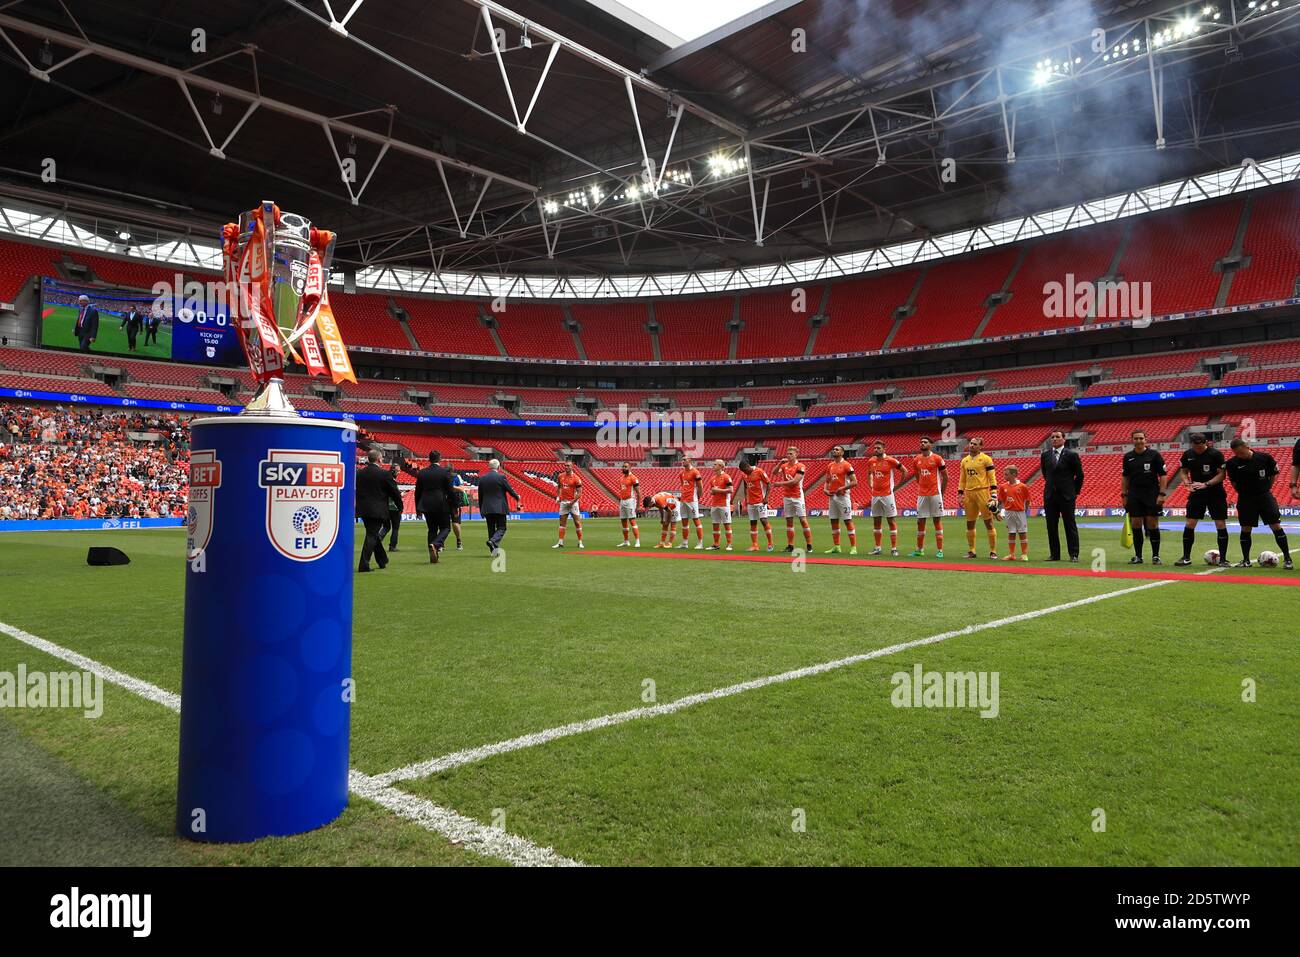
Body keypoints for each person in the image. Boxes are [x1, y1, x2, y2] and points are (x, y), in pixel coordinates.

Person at [1224, 438, 1293, 569]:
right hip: (1245, 499)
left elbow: (1273, 475)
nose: (1239, 455)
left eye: (1241, 452)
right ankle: (1246, 560)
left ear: (1246, 446)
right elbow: (1233, 482)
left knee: (1276, 526)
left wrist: (1266, 488)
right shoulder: (1232, 463)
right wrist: (1243, 492)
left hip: (1264, 496)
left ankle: (1288, 559)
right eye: (1236, 453)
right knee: (1245, 528)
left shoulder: (1264, 458)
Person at [1175, 433, 1229, 566]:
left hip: (1215, 492)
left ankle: (1223, 560)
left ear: (1206, 443)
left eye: (1200, 447)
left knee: (1220, 524)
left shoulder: (1216, 454)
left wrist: (1206, 484)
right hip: (1197, 493)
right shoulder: (1188, 454)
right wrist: (1187, 483)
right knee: (1190, 523)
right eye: (1195, 447)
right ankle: (1186, 557)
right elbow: (1183, 471)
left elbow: (1222, 475)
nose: (1197, 449)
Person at [1121, 429, 1168, 564]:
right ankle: (1138, 556)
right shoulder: (1128, 456)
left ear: (1146, 440)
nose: (1139, 441)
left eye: (1141, 438)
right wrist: (1124, 495)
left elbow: (1163, 475)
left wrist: (1162, 493)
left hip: (1151, 493)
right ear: (1132, 440)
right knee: (1136, 524)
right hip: (1134, 494)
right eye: (1136, 438)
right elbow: (1125, 477)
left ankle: (1156, 556)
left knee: (1152, 523)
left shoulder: (1154, 455)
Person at [1039, 429, 1084, 562]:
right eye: (1052, 437)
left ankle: (1074, 554)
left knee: (1069, 525)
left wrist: (1074, 491)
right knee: (1051, 526)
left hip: (1067, 496)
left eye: (1057, 437)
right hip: (1050, 496)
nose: (1054, 439)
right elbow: (1045, 474)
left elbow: (1080, 475)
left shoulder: (1072, 455)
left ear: (1064, 439)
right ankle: (1054, 554)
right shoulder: (1045, 455)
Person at [356, 448, 403, 573]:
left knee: (373, 534)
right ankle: (364, 565)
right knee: (372, 535)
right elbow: (395, 493)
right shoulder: (384, 474)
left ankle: (382, 560)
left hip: (364, 509)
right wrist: (400, 506)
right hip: (378, 510)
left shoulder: (359, 473)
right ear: (379, 459)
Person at [959, 436, 999, 559]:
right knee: (970, 524)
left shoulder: (986, 459)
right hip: (969, 494)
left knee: (988, 522)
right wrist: (960, 494)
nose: (972, 445)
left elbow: (992, 477)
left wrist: (993, 494)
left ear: (980, 446)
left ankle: (993, 551)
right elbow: (962, 479)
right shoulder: (964, 460)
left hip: (982, 492)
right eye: (971, 443)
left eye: (975, 444)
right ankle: (972, 551)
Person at [864, 439, 905, 555]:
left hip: (888, 495)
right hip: (875, 495)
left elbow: (904, 471)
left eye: (878, 448)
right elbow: (869, 473)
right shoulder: (871, 461)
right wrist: (871, 484)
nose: (876, 450)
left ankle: (894, 549)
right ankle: (877, 548)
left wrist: (898, 486)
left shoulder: (890, 460)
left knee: (891, 520)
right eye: (875, 448)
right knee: (876, 521)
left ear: (884, 449)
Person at [414, 451, 455, 564]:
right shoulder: (444, 472)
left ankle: (433, 555)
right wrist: (455, 505)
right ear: (440, 459)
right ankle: (436, 544)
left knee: (432, 529)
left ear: (429, 459)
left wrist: (418, 508)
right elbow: (450, 491)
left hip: (426, 504)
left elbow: (417, 492)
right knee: (445, 528)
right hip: (441, 503)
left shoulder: (422, 473)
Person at [910, 437, 947, 558]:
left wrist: (941, 492)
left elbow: (945, 477)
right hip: (922, 495)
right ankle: (919, 550)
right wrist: (922, 487)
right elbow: (917, 476)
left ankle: (940, 550)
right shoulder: (916, 460)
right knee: (920, 522)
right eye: (921, 442)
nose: (922, 443)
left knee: (937, 521)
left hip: (935, 494)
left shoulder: (937, 458)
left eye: (925, 442)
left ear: (931, 445)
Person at [476, 458, 520, 556]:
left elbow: (480, 496)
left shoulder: (482, 478)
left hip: (487, 508)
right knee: (502, 527)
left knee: (491, 529)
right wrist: (517, 497)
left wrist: (481, 510)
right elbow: (510, 490)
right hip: (499, 508)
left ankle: (494, 551)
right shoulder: (501, 477)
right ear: (499, 467)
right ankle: (493, 541)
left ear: (489, 467)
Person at [773, 446, 813, 552]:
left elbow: (795, 481)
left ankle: (809, 544)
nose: (788, 455)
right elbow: (774, 472)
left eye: (791, 453)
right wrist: (780, 463)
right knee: (789, 521)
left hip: (798, 496)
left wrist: (780, 483)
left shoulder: (800, 466)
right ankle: (790, 546)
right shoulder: (784, 465)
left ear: (796, 454)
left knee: (803, 520)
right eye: (788, 453)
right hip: (787, 496)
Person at [821, 444, 858, 555]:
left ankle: (853, 547)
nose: (834, 451)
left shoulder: (846, 465)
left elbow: (854, 482)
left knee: (847, 520)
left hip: (843, 496)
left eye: (837, 449)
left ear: (842, 452)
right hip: (832, 497)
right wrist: (825, 489)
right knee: (834, 521)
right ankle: (837, 546)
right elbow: (827, 480)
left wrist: (842, 488)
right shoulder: (830, 466)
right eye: (833, 449)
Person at [737, 460, 774, 552]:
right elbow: (746, 487)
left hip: (760, 501)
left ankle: (770, 543)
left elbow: (769, 484)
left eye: (745, 470)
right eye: (742, 471)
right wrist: (746, 500)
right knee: (753, 523)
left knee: (763, 520)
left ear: (748, 466)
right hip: (751, 503)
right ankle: (755, 545)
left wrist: (766, 498)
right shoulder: (744, 475)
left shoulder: (759, 471)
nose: (744, 472)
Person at [999, 465, 1032, 561]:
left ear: (1014, 474)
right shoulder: (1003, 487)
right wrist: (1000, 512)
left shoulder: (1022, 486)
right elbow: (1001, 501)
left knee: (1022, 533)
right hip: (1008, 512)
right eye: (1004, 474)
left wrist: (1024, 511)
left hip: (1019, 512)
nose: (1005, 476)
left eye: (1007, 474)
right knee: (1011, 533)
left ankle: (1024, 554)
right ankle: (1012, 554)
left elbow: (1028, 500)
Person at [553, 460, 584, 549]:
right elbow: (559, 487)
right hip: (563, 502)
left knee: (577, 522)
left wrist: (572, 502)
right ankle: (560, 543)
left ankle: (580, 542)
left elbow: (579, 493)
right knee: (562, 523)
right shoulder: (560, 476)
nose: (566, 467)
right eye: (565, 465)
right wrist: (558, 496)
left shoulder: (576, 478)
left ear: (572, 467)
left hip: (573, 503)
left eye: (568, 466)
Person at [677, 455, 706, 549]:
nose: (683, 461)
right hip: (683, 499)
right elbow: (683, 485)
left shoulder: (695, 472)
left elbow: (700, 487)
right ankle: (685, 543)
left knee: (696, 520)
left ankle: (700, 543)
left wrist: (697, 498)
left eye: (684, 460)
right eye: (682, 460)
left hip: (692, 500)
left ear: (690, 460)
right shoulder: (681, 473)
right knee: (684, 521)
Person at [707, 459, 735, 550]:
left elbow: (731, 490)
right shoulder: (712, 478)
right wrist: (712, 492)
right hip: (714, 504)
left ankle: (729, 544)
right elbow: (712, 491)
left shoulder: (726, 477)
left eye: (715, 464)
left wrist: (717, 490)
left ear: (721, 466)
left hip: (724, 504)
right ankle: (716, 544)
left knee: (726, 524)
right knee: (715, 524)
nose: (713, 466)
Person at [616, 462, 641, 547]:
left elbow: (638, 493)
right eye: (623, 466)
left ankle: (637, 541)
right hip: (622, 501)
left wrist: (638, 505)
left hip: (630, 501)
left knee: (632, 521)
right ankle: (626, 541)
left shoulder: (633, 478)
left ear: (630, 468)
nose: (624, 468)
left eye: (626, 466)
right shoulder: (621, 478)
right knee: (623, 521)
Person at [379, 463, 402, 551]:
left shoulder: (385, 479)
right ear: (393, 471)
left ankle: (377, 541)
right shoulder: (391, 480)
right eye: (398, 471)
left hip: (385, 507)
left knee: (386, 526)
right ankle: (392, 546)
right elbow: (394, 494)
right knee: (395, 528)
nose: (399, 472)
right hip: (394, 508)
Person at [451, 471, 473, 549]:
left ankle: (441, 545)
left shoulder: (442, 475)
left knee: (447, 523)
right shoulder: (457, 476)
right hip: (453, 502)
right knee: (455, 522)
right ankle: (459, 542)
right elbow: (461, 488)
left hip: (450, 502)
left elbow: (461, 488)